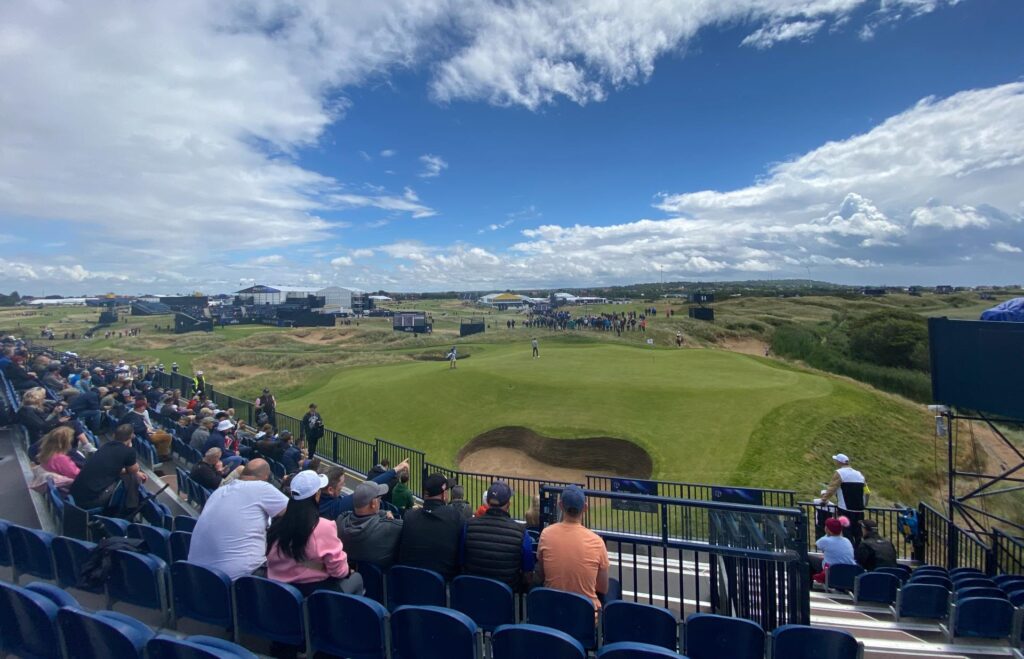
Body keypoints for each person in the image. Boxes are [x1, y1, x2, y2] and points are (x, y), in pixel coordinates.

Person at [267, 470, 363, 596]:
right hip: (314, 593)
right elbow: (338, 571)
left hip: (278, 591)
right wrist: (348, 571)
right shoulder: (323, 527)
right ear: (317, 495)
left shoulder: (277, 524)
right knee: (357, 578)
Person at [188, 459, 288, 580]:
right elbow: (296, 512)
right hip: (238, 577)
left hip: (197, 574)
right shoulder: (262, 488)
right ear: (265, 476)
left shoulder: (218, 492)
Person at [535, 486, 612, 611]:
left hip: (551, 612)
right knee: (613, 587)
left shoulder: (546, 534)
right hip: (584, 618)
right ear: (585, 508)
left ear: (560, 505)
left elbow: (542, 573)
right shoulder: (597, 542)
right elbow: (603, 588)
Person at [462, 481, 534, 589]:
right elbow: (527, 573)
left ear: (487, 502)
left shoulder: (469, 525)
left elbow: (461, 560)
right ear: (509, 504)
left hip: (472, 591)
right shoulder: (521, 532)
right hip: (506, 595)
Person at [397, 473, 465, 580]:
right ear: (444, 495)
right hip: (443, 588)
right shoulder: (456, 517)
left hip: (409, 584)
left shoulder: (409, 516)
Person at [69, 424, 146, 513]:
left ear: (114, 435)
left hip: (76, 495)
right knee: (132, 478)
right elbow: (134, 470)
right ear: (132, 436)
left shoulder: (105, 446)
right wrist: (130, 449)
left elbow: (113, 468)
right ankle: (128, 510)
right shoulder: (128, 451)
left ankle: (128, 508)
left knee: (128, 476)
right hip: (91, 500)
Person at [337, 481, 404, 569]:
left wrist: (382, 513)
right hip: (380, 580)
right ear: (373, 503)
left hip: (351, 573)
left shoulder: (340, 521)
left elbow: (348, 513)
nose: (380, 501)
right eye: (379, 499)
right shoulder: (390, 527)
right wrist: (388, 518)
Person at [318, 460, 410, 519]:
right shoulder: (334, 508)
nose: (344, 485)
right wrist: (396, 469)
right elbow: (367, 487)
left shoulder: (314, 501)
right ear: (330, 490)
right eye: (341, 484)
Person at [820, 453, 868, 546]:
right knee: (858, 534)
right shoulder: (859, 474)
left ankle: (850, 554)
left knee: (847, 533)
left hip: (845, 508)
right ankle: (859, 555)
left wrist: (824, 499)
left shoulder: (840, 473)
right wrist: (864, 504)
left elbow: (832, 488)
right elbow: (866, 491)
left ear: (839, 462)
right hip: (859, 509)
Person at [812, 517, 857, 583]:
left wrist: (827, 534)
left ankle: (809, 585)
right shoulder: (847, 540)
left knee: (809, 558)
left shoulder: (825, 540)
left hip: (832, 572)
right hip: (849, 571)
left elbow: (817, 545)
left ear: (827, 529)